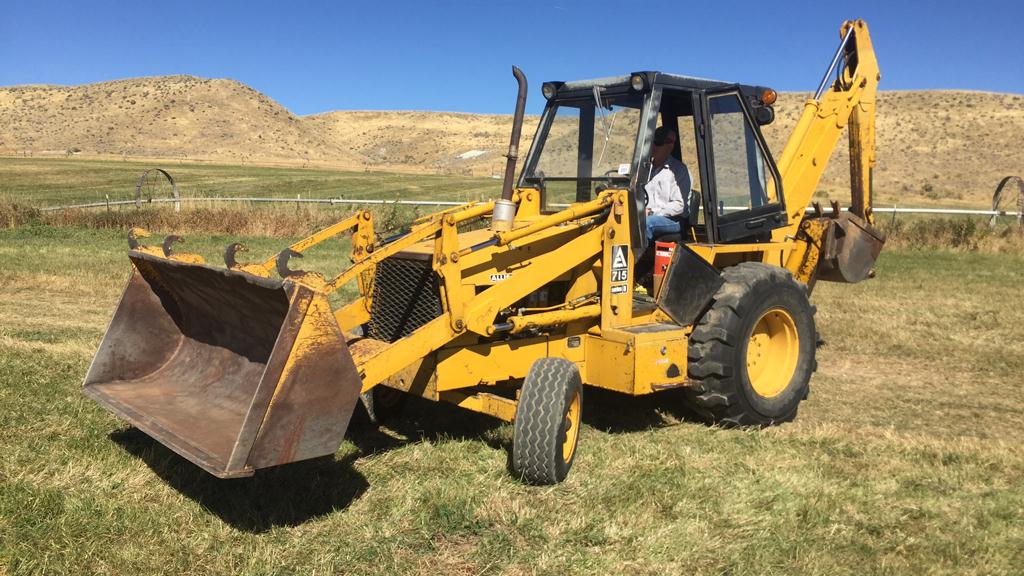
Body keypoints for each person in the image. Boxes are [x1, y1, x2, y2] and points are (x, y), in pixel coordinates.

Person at [644, 126, 691, 242]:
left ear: (670, 146)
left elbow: (680, 205)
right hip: (646, 215)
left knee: (645, 224)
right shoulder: (645, 170)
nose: (653, 146)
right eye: (652, 141)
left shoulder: (678, 170)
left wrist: (652, 212)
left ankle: (632, 259)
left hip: (673, 220)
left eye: (657, 142)